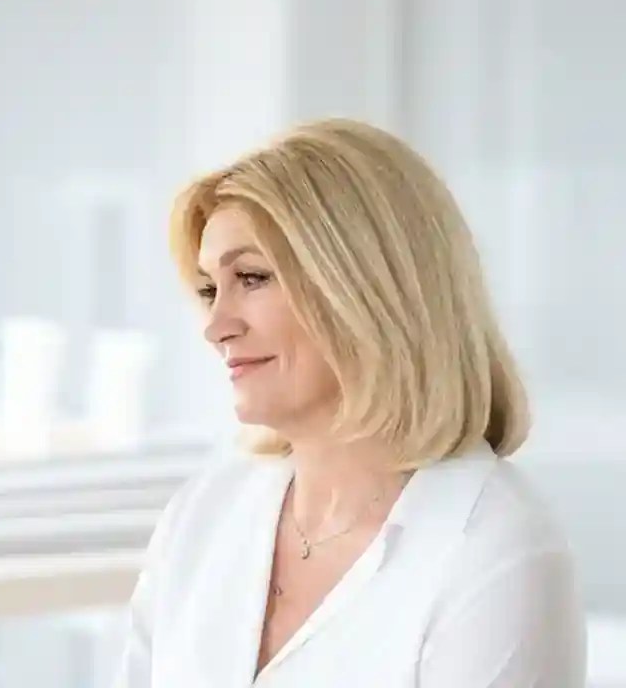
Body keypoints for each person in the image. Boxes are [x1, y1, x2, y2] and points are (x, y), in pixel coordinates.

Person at [115, 118, 586, 687]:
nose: (216, 326)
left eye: (254, 277)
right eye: (211, 288)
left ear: (366, 287)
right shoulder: (206, 514)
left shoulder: (494, 551)